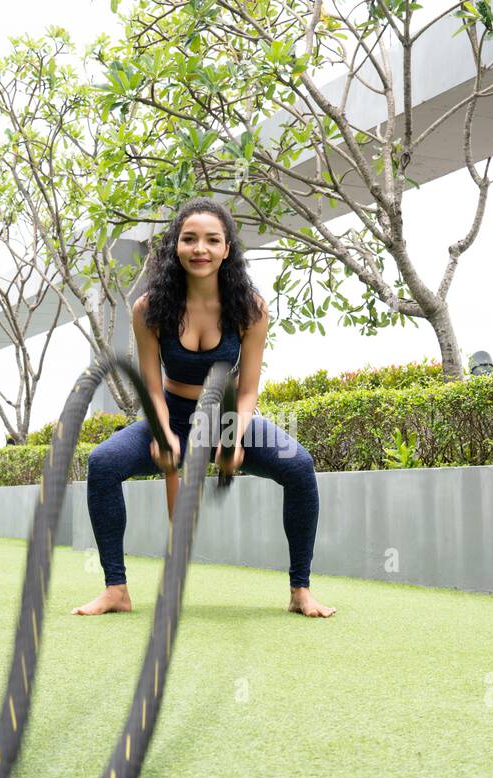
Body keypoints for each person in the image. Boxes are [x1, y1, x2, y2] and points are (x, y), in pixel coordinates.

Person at [71, 197, 336, 618]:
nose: (201, 249)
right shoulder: (149, 309)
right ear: (174, 246)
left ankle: (300, 590)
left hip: (228, 415)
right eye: (189, 239)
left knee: (300, 467)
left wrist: (231, 438)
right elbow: (151, 388)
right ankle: (116, 589)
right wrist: (162, 434)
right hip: (170, 412)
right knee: (103, 463)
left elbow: (248, 390)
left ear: (227, 248)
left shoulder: (250, 308)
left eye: (212, 240)